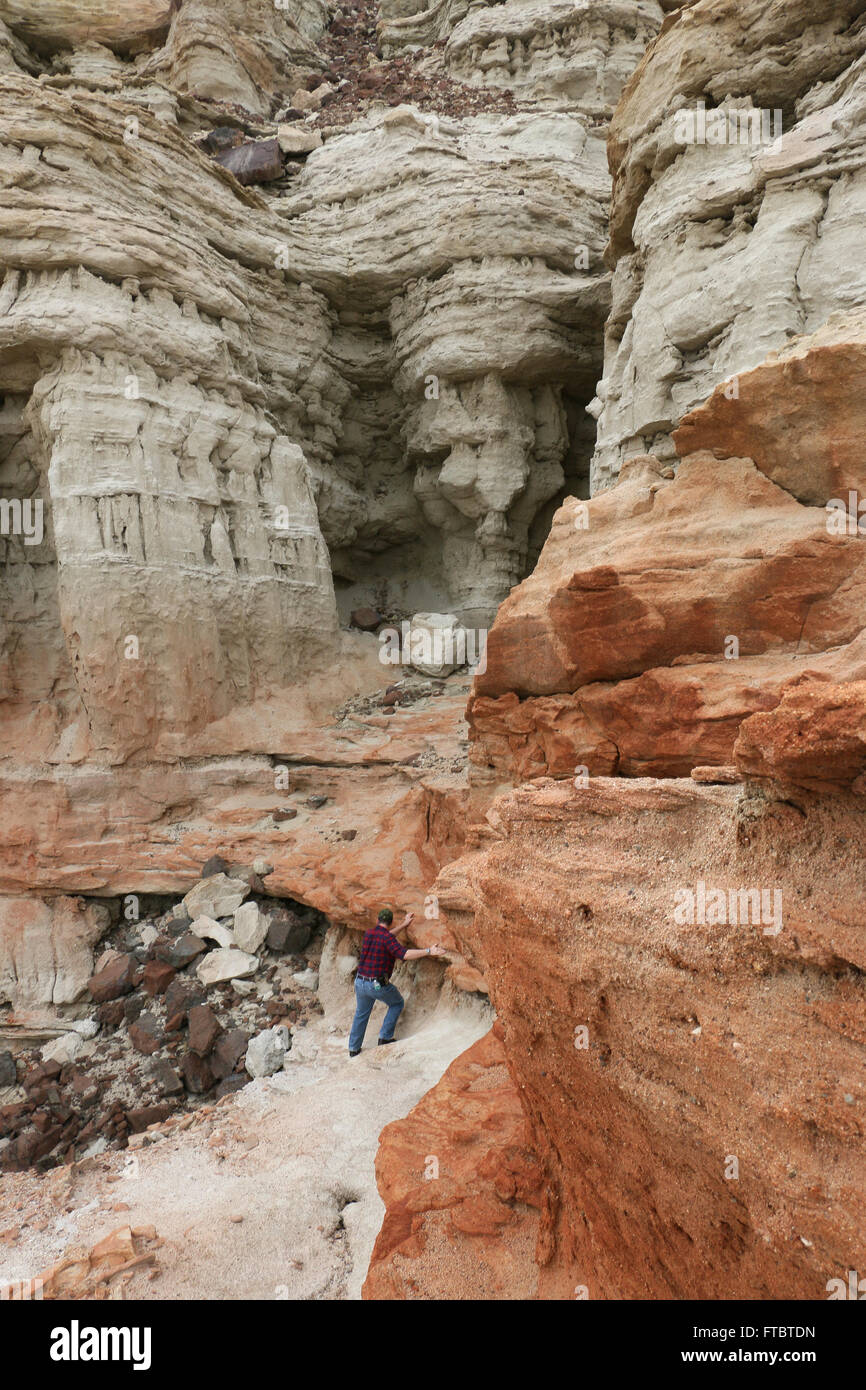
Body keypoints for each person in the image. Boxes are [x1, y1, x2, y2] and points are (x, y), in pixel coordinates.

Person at [348, 908, 445, 1056]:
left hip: (360, 981)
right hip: (376, 984)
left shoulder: (369, 933)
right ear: (391, 922)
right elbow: (404, 954)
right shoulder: (387, 938)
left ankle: (353, 1049)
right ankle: (385, 1038)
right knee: (397, 1003)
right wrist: (428, 951)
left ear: (377, 921)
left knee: (361, 1014)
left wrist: (404, 924)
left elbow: (386, 936)